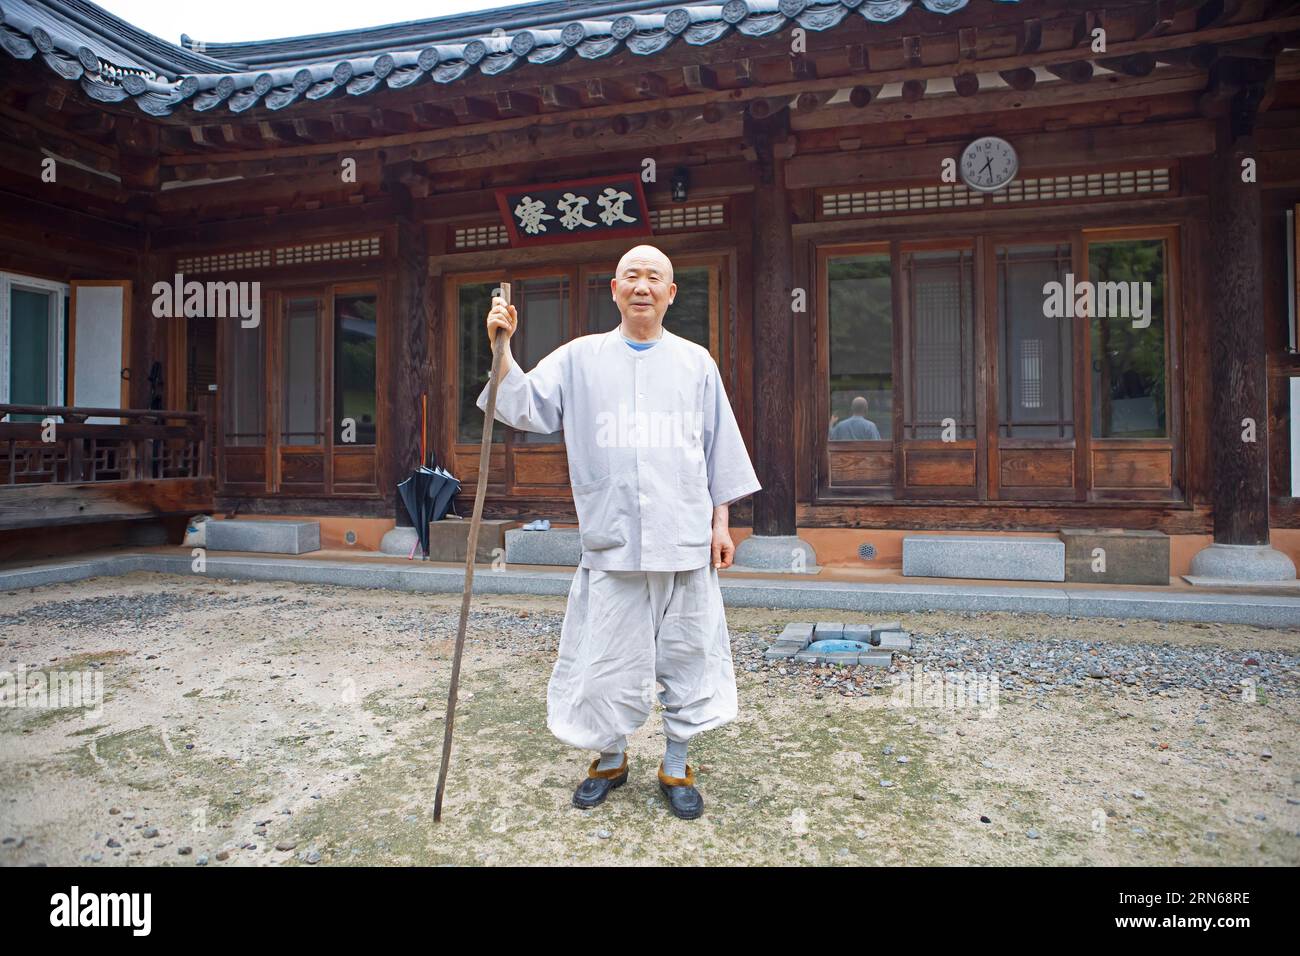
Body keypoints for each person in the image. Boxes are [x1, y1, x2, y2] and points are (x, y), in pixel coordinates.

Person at [477, 244, 760, 820]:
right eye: (631, 276)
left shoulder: (696, 363)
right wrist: (500, 349)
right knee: (605, 658)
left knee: (689, 655)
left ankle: (677, 761)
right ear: (613, 289)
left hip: (683, 539)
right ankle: (610, 757)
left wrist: (721, 523)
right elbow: (524, 404)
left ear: (670, 293)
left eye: (654, 277)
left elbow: (718, 449)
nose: (642, 286)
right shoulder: (580, 358)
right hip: (612, 541)